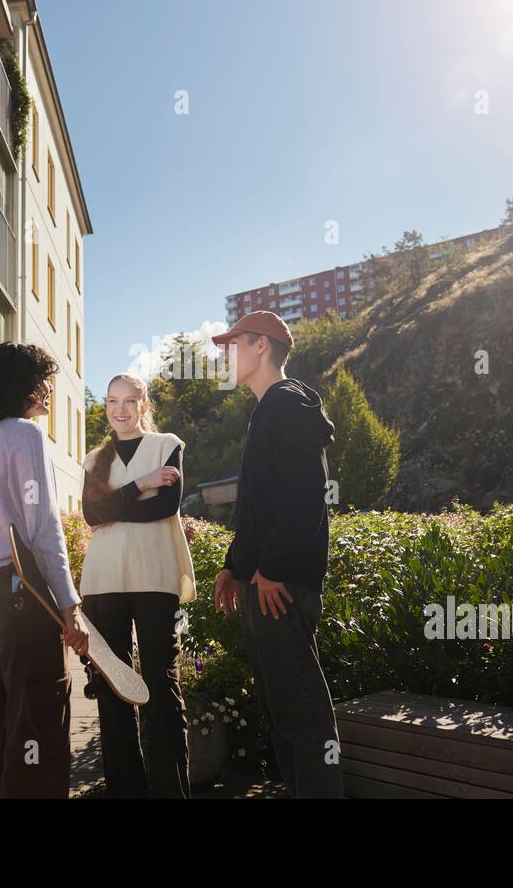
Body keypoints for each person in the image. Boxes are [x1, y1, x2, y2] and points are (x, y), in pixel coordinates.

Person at [210, 311, 344, 798]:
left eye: (233, 345)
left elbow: (306, 500)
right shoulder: (267, 410)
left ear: (261, 346)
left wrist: (269, 570)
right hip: (264, 583)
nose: (225, 355)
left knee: (303, 717)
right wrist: (236, 566)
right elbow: (258, 507)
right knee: (283, 713)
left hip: (281, 587)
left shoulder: (286, 406)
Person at [0, 342, 90, 798]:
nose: (50, 388)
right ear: (21, 385)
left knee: (4, 733)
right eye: (41, 379)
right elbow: (43, 529)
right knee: (38, 730)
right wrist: (70, 605)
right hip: (21, 592)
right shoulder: (24, 435)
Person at [80, 373, 195, 798]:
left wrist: (111, 507)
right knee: (113, 690)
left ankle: (171, 792)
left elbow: (167, 507)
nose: (120, 410)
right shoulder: (95, 459)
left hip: (154, 573)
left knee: (162, 685)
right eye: (112, 401)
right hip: (103, 578)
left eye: (130, 401)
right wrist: (141, 485)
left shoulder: (168, 445)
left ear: (143, 405)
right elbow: (91, 517)